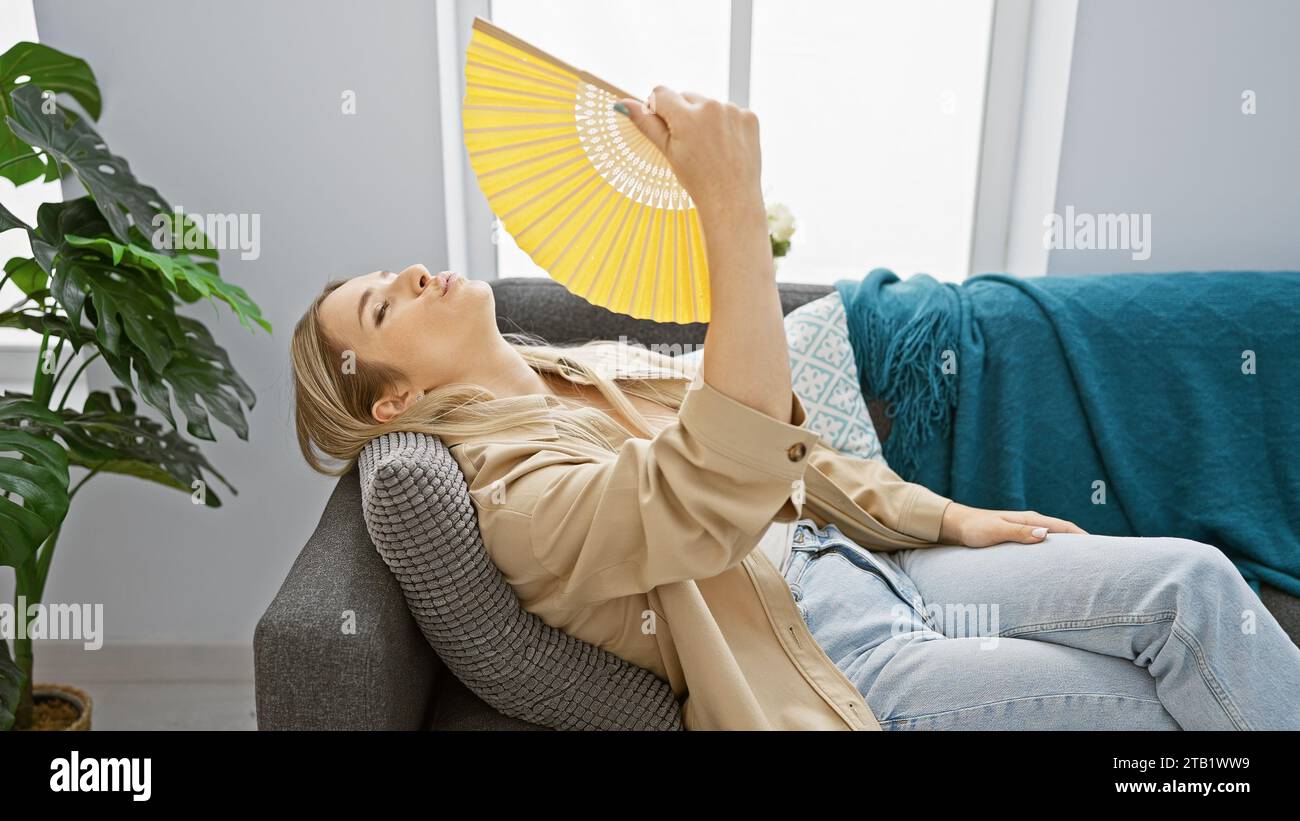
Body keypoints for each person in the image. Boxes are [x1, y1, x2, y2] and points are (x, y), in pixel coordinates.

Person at [289, 86, 1300, 730]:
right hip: (831, 657)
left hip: (874, 563)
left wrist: (946, 516)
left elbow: (791, 452)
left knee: (1196, 581)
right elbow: (710, 485)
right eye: (385, 303)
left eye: (392, 270)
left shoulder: (573, 364)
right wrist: (730, 203)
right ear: (398, 402)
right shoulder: (508, 495)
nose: (416, 272)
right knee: (1160, 718)